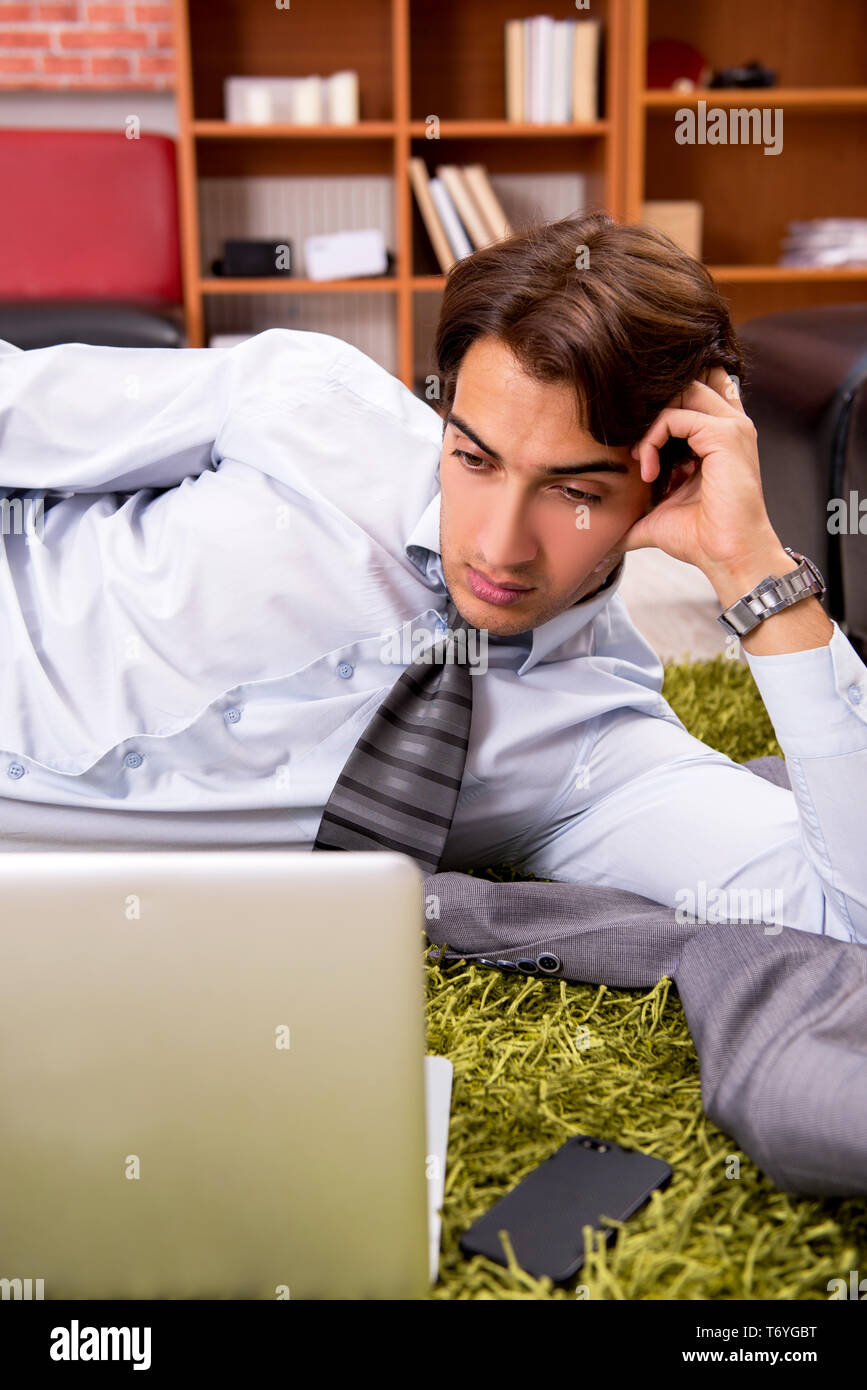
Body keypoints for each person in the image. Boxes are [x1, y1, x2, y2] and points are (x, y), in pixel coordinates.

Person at [0, 210, 864, 950]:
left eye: (574, 490)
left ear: (669, 476)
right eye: (473, 458)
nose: (497, 546)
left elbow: (846, 910)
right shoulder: (303, 407)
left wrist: (751, 567)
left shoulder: (591, 747)